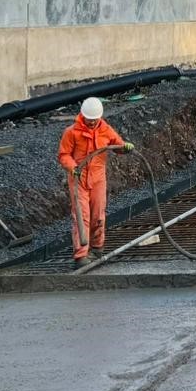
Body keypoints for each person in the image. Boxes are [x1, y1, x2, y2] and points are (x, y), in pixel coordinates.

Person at [59, 97, 133, 265]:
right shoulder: (71, 132)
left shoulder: (105, 130)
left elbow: (117, 145)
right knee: (81, 216)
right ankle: (81, 255)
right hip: (78, 179)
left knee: (98, 214)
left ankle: (97, 248)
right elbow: (64, 155)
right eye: (89, 120)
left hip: (98, 179)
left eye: (94, 120)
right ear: (82, 117)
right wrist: (73, 167)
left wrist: (125, 148)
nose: (92, 123)